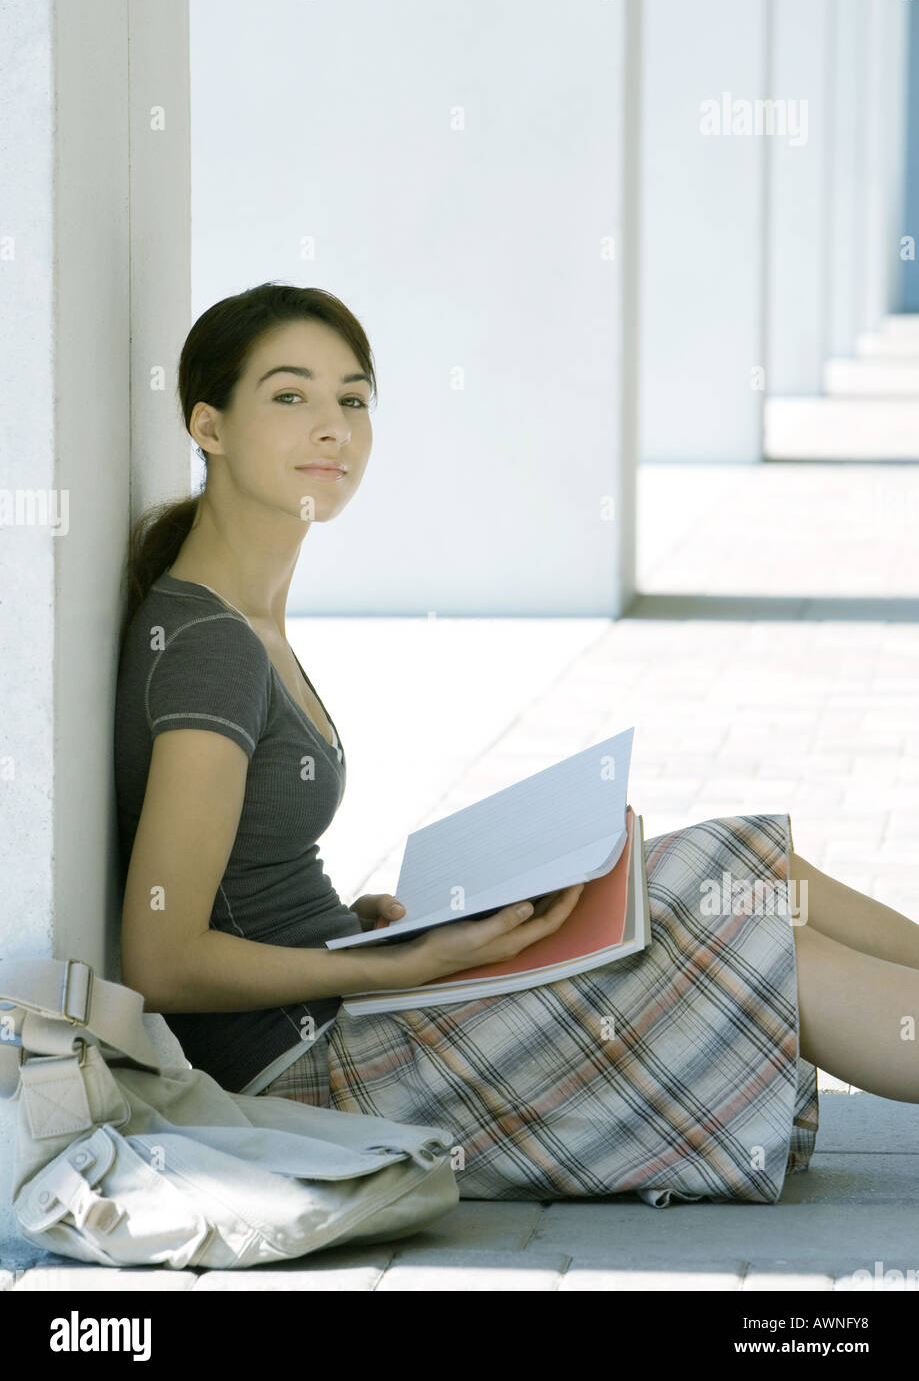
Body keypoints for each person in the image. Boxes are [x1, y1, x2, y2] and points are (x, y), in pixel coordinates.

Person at [115, 280, 919, 1206]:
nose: (332, 428)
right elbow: (162, 957)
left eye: (353, 399)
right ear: (208, 427)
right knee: (743, 930)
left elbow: (243, 886)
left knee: (724, 869)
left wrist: (375, 932)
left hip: (353, 997)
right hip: (315, 1071)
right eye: (289, 397)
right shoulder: (212, 645)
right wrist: (399, 964)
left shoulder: (241, 616)